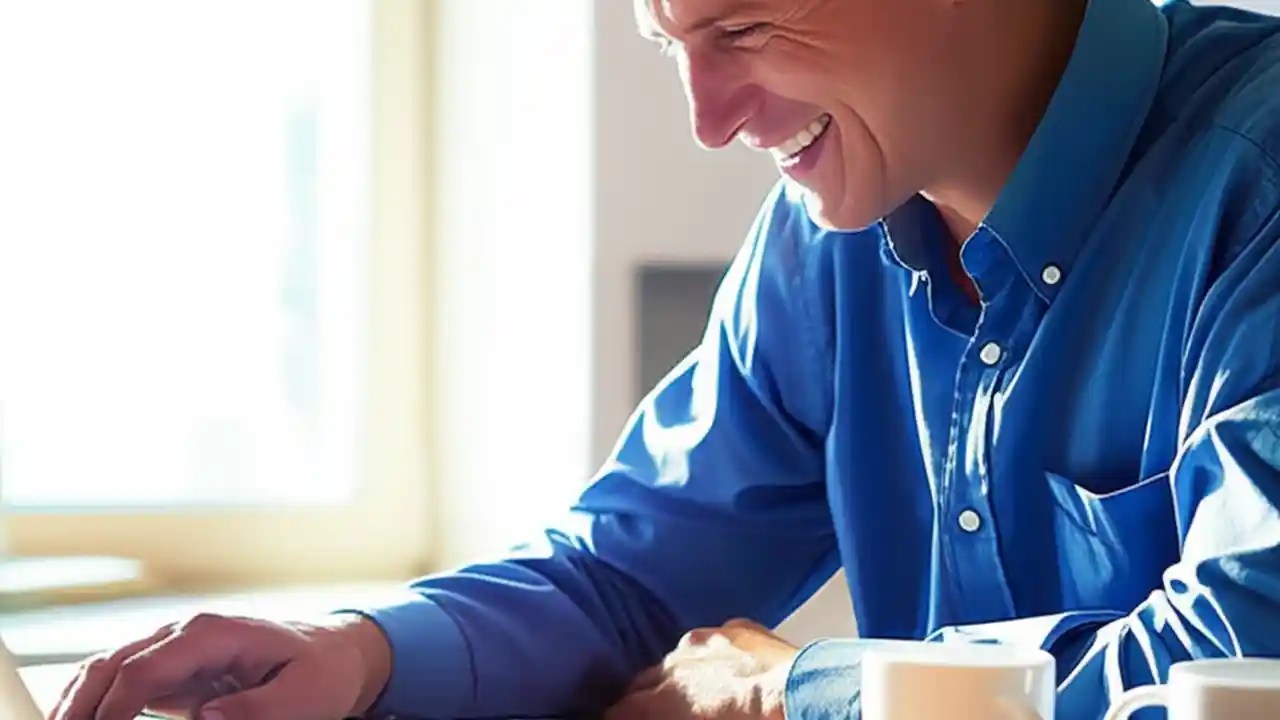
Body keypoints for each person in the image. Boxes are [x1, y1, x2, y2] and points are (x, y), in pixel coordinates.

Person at [50, 0, 1280, 717]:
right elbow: (627, 576)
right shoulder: (829, 238)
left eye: (739, 26)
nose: (707, 120)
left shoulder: (1256, 183)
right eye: (666, 39)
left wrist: (793, 695)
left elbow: (1237, 668)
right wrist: (357, 653)